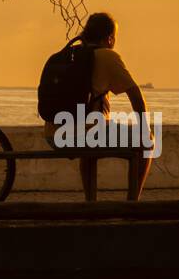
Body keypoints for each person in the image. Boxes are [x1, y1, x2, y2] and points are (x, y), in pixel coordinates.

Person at [42, 12, 152, 201]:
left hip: (53, 136)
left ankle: (90, 204)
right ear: (110, 38)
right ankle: (132, 205)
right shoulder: (107, 56)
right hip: (84, 135)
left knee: (90, 130)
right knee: (146, 142)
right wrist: (145, 129)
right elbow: (136, 96)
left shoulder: (70, 54)